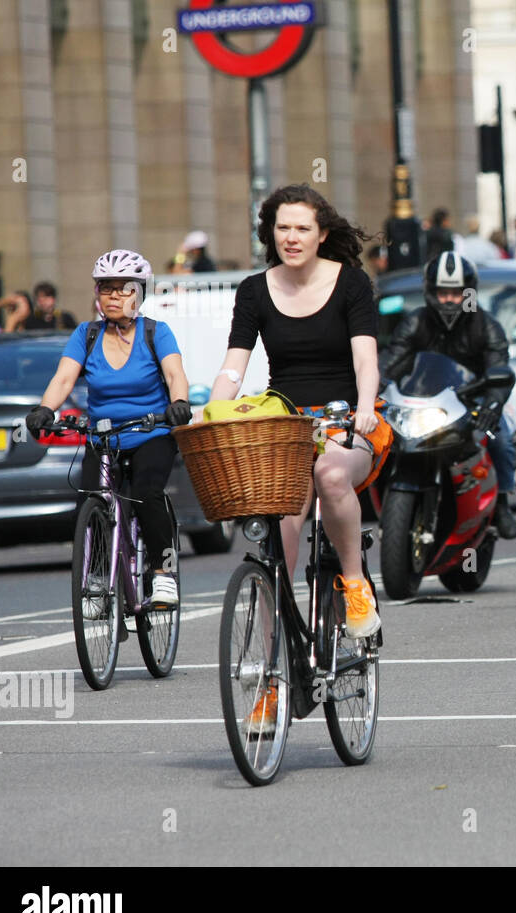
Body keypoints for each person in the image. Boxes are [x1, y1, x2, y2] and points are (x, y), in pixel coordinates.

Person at [211, 184, 392, 653]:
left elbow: (365, 361)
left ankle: (354, 586)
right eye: (283, 228)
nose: (291, 237)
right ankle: (275, 667)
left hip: (346, 420)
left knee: (332, 475)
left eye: (302, 229)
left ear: (321, 234)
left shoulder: (350, 283)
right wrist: (213, 414)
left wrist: (366, 408)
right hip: (286, 427)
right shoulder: (254, 290)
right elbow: (235, 365)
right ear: (271, 234)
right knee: (277, 539)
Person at [25, 250, 191, 606]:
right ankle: (98, 577)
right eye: (106, 288)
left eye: (123, 288)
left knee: (147, 492)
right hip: (103, 436)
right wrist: (44, 409)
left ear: (139, 293)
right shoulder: (86, 335)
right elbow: (64, 378)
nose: (113, 296)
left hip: (151, 432)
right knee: (92, 502)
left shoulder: (156, 333)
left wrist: (178, 404)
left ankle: (164, 573)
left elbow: (176, 374)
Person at [378, 251, 516, 540]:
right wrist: (373, 389)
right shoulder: (414, 322)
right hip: (422, 402)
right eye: (443, 293)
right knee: (377, 439)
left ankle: (503, 502)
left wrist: (493, 403)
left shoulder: (487, 326)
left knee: (501, 438)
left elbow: (500, 370)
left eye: (457, 293)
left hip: (473, 400)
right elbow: (391, 362)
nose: (449, 299)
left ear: (469, 293)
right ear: (430, 292)